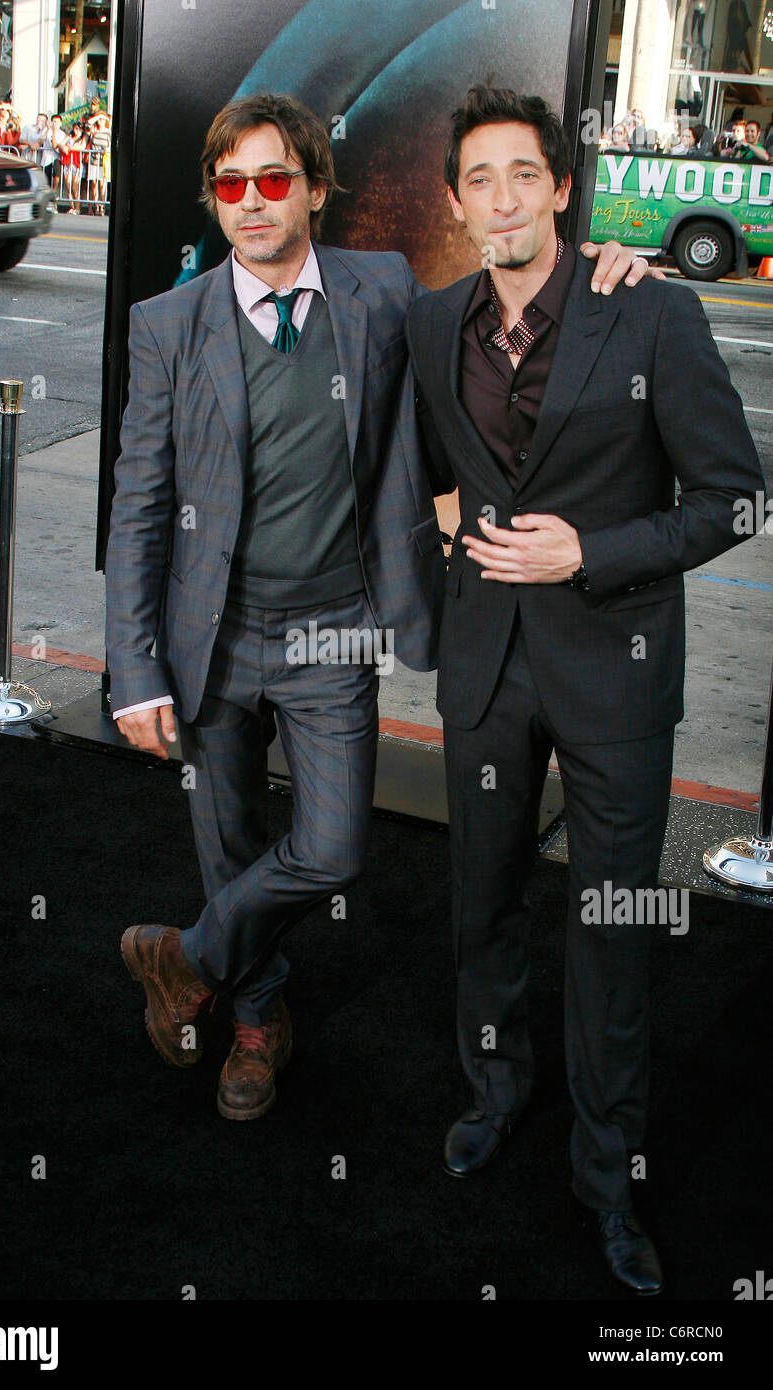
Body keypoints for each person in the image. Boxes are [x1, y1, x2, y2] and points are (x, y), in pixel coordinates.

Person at [106, 91, 650, 1125]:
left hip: (334, 633)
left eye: (274, 179)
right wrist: (132, 664)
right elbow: (138, 507)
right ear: (213, 200)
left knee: (333, 848)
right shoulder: (165, 324)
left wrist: (611, 272)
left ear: (315, 187)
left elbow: (509, 297)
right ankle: (257, 1025)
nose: (252, 202)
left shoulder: (383, 290)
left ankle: (185, 956)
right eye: (230, 184)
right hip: (208, 637)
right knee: (227, 847)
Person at [405, 84, 765, 1297]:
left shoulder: (647, 311)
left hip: (611, 672)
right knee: (484, 906)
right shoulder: (429, 322)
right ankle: (495, 1091)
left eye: (524, 174)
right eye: (477, 180)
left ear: (561, 187)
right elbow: (419, 466)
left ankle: (607, 1179)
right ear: (455, 204)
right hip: (485, 670)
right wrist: (448, 543)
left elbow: (733, 499)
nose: (500, 197)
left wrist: (587, 553)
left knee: (607, 934)